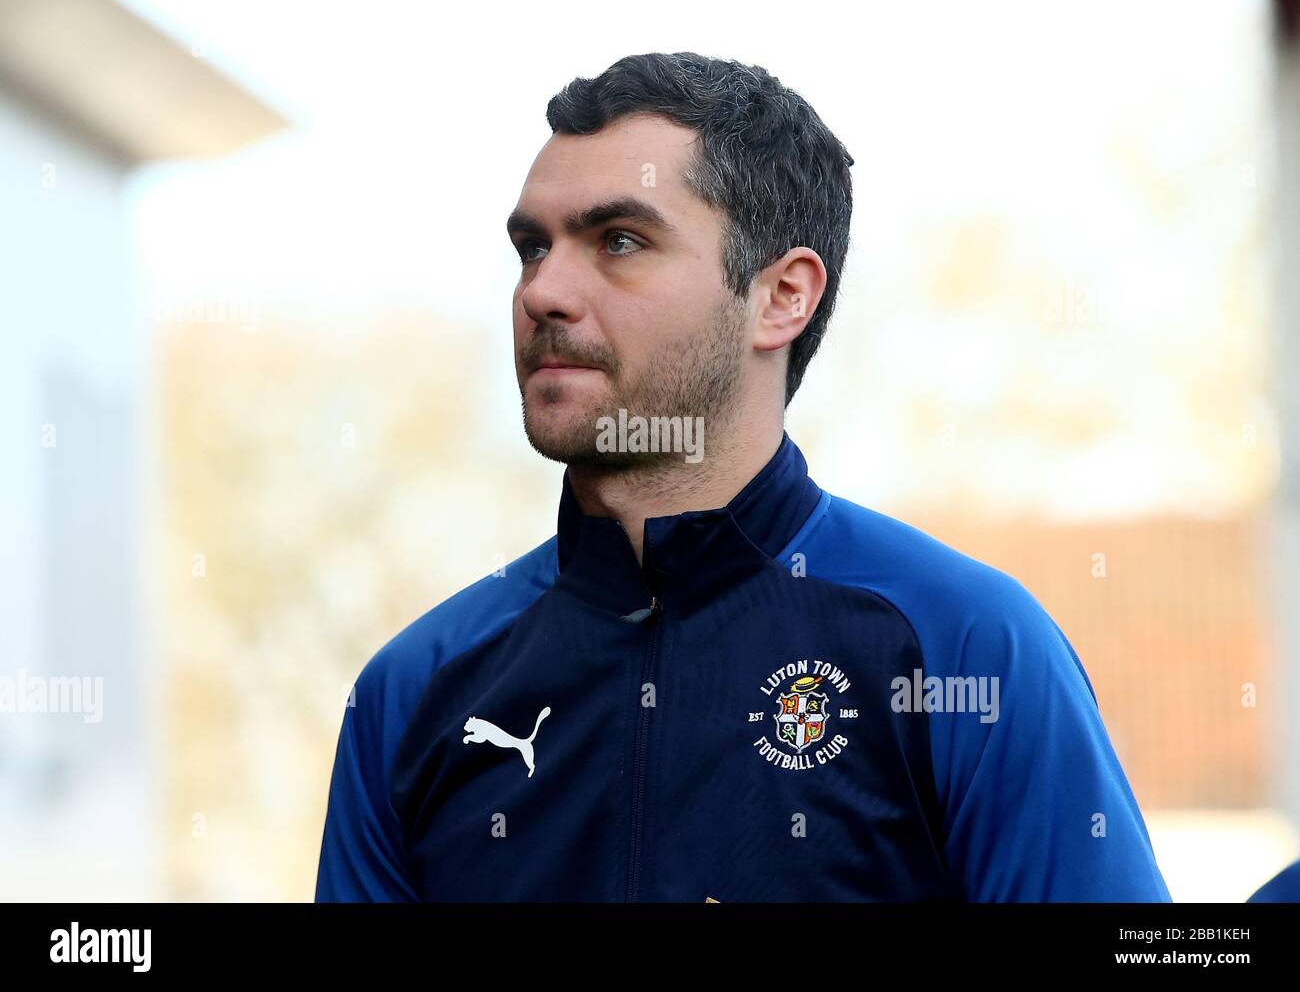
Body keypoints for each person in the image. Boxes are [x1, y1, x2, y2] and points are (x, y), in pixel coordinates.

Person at [314, 51, 1171, 902]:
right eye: (533, 247)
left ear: (781, 297)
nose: (544, 290)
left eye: (618, 241)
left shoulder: (965, 647)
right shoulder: (413, 692)